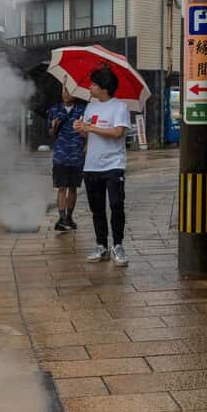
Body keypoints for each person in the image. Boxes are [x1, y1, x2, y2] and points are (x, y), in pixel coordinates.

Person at [73, 66, 130, 267]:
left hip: (114, 164)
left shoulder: (120, 107)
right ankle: (101, 245)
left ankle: (118, 245)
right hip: (92, 165)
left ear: (104, 88)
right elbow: (88, 135)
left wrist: (90, 127)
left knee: (116, 205)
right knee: (96, 209)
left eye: (93, 84)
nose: (90, 87)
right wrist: (81, 129)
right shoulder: (90, 107)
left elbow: (118, 132)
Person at [47, 86, 87, 232]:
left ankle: (69, 217)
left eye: (69, 91)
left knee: (73, 187)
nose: (65, 94)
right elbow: (51, 134)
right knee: (61, 187)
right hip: (61, 155)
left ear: (75, 93)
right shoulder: (54, 109)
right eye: (64, 91)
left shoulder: (83, 110)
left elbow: (88, 132)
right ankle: (62, 218)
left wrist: (85, 141)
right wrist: (54, 127)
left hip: (77, 155)